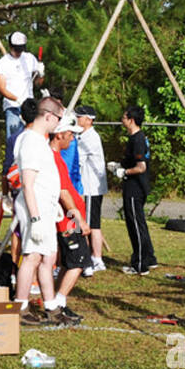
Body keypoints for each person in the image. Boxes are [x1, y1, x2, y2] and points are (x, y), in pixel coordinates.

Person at [13, 96, 65, 318]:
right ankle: (21, 305)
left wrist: (54, 206)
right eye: (58, 119)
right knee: (32, 256)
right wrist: (34, 219)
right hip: (35, 208)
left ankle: (51, 306)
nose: (59, 124)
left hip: (46, 207)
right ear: (48, 116)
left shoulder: (39, 140)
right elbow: (28, 184)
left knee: (49, 257)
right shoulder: (31, 142)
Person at [39, 114, 90, 322]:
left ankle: (59, 301)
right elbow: (63, 192)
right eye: (70, 134)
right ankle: (59, 301)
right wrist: (79, 219)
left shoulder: (57, 157)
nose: (72, 139)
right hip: (67, 221)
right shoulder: (53, 158)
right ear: (59, 134)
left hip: (68, 219)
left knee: (69, 264)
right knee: (79, 262)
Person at [112, 105, 157, 275]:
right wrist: (119, 165)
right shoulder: (135, 138)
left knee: (135, 225)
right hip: (136, 187)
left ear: (131, 120)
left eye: (124, 117)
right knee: (140, 222)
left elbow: (141, 167)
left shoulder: (137, 139)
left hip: (135, 188)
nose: (122, 120)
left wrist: (124, 172)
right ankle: (149, 258)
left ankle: (139, 264)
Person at [0, 31, 44, 138]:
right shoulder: (3, 63)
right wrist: (17, 99)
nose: (18, 52)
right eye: (16, 49)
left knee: (32, 137)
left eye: (20, 49)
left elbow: (38, 84)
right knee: (14, 138)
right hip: (13, 107)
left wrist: (41, 73)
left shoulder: (29, 58)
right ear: (10, 46)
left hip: (30, 107)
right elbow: (2, 88)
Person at [76, 105, 107, 272]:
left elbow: (77, 158)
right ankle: (94, 256)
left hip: (91, 187)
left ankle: (96, 258)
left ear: (89, 120)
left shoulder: (91, 138)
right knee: (92, 223)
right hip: (90, 187)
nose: (77, 120)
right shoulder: (84, 136)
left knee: (92, 224)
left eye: (80, 117)